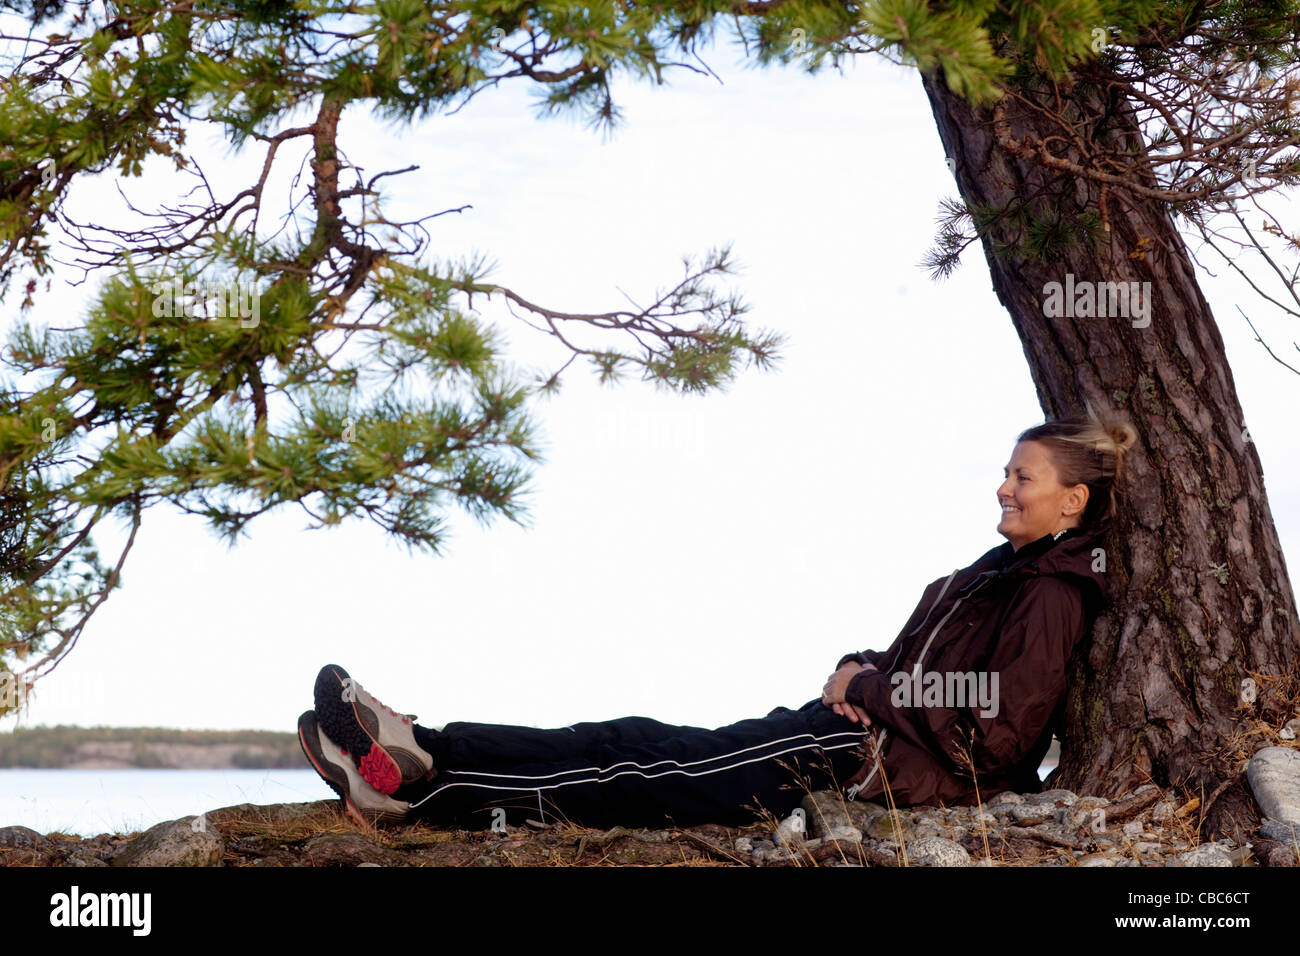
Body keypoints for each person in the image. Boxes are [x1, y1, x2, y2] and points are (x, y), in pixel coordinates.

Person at [297, 414, 1135, 830]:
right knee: (626, 735)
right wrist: (857, 667)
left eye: (1022, 478)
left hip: (861, 764)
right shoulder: (998, 572)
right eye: (1005, 472)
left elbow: (995, 738)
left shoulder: (1050, 596)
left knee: (634, 780)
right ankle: (426, 743)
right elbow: (910, 663)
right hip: (843, 731)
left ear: (1073, 500)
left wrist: (868, 689)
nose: (1002, 487)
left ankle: (417, 798)